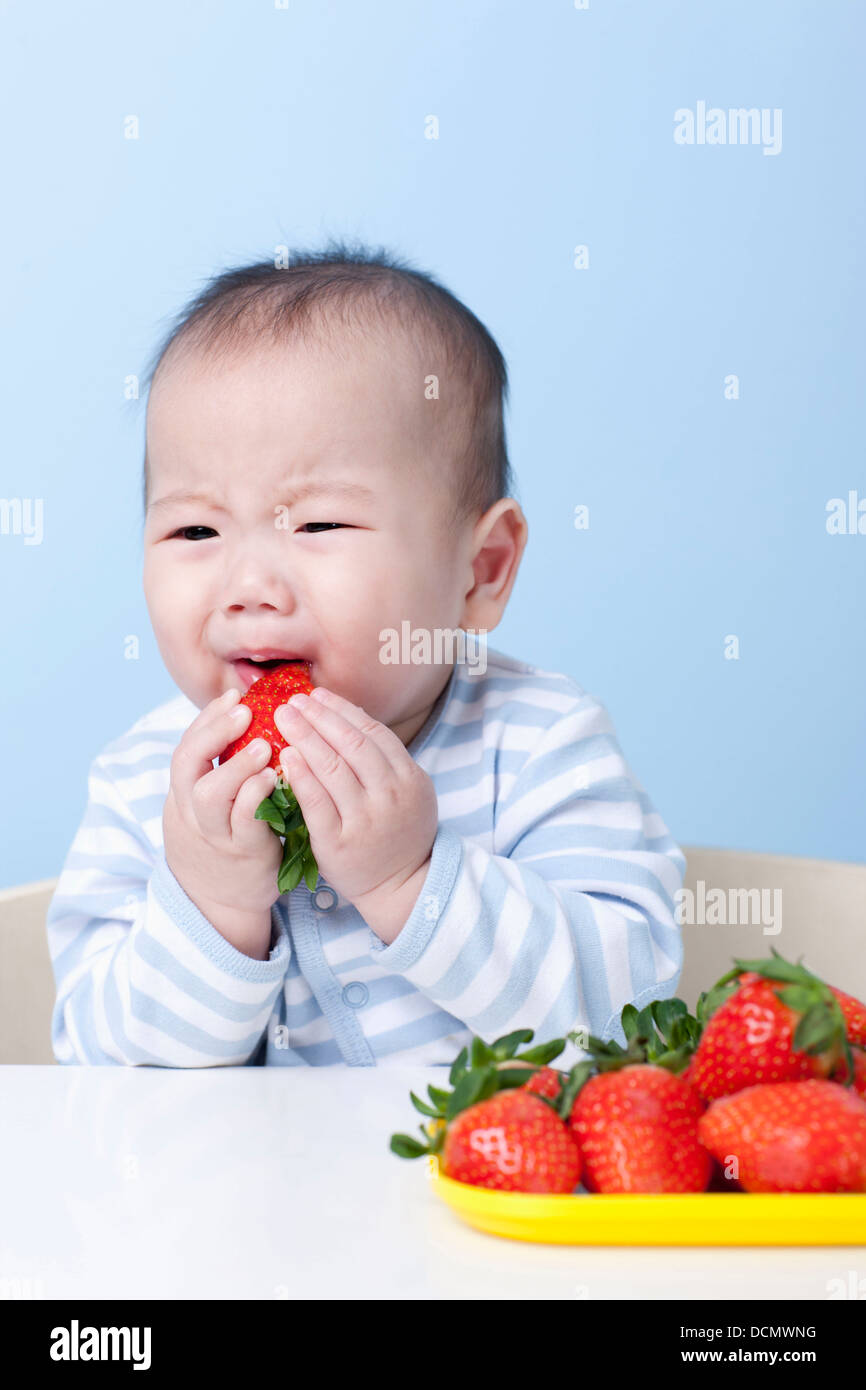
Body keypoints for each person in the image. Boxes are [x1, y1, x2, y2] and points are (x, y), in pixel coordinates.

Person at [46, 241, 685, 1067]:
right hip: (234, 1197)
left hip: (474, 1194)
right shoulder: (141, 785)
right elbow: (101, 1087)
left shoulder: (537, 746)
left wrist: (412, 879)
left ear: (480, 572)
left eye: (320, 525)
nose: (250, 584)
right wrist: (210, 908)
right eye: (195, 530)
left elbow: (631, 1024)